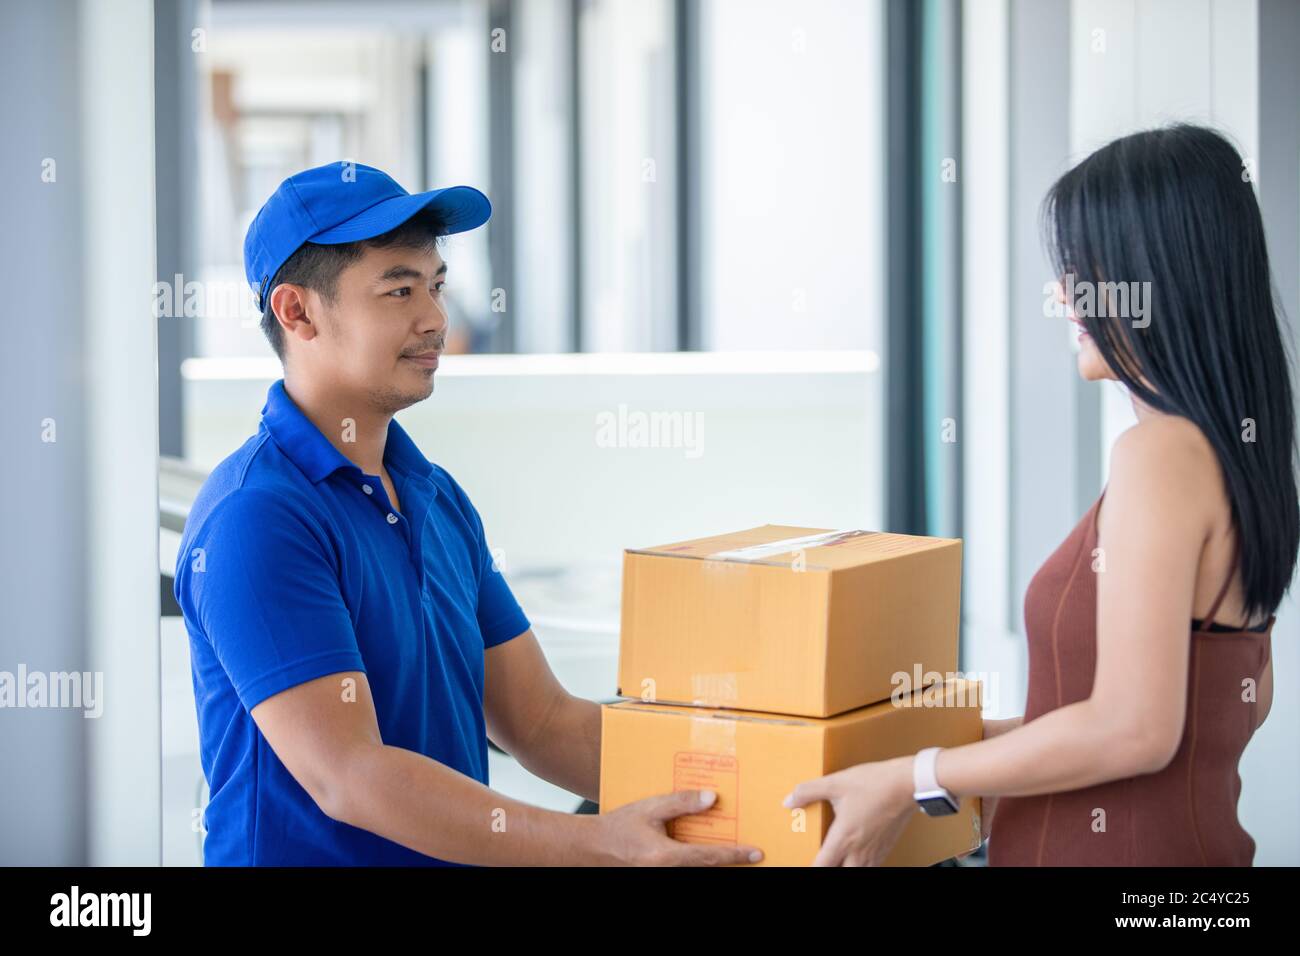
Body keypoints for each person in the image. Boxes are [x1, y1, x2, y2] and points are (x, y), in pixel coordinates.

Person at [174, 161, 763, 866]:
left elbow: (541, 722)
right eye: (398, 290)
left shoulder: (434, 495)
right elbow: (349, 776)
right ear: (297, 312)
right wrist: (599, 844)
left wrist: (765, 783)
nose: (435, 320)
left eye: (437, 286)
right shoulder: (257, 519)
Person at [785, 124, 1296, 866]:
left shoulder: (1160, 455)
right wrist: (904, 765)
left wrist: (914, 777)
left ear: (1160, 275)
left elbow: (1133, 730)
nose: (1065, 296)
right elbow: (1198, 712)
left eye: (1088, 270)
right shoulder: (1236, 463)